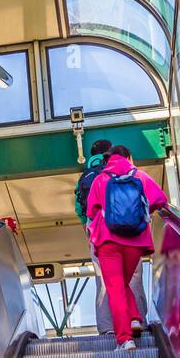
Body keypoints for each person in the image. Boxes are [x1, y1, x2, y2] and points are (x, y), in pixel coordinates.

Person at [86, 144, 168, 349]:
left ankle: (125, 339)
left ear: (108, 160)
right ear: (129, 157)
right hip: (135, 241)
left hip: (108, 242)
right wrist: (139, 212)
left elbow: (90, 211)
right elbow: (161, 200)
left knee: (115, 288)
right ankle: (134, 319)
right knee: (122, 283)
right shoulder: (139, 176)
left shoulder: (100, 179)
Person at [74, 139, 114, 336]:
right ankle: (136, 321)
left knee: (103, 280)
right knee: (132, 276)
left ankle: (107, 328)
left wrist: (88, 230)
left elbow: (79, 209)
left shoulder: (85, 176)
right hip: (125, 230)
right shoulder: (118, 168)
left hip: (97, 232)